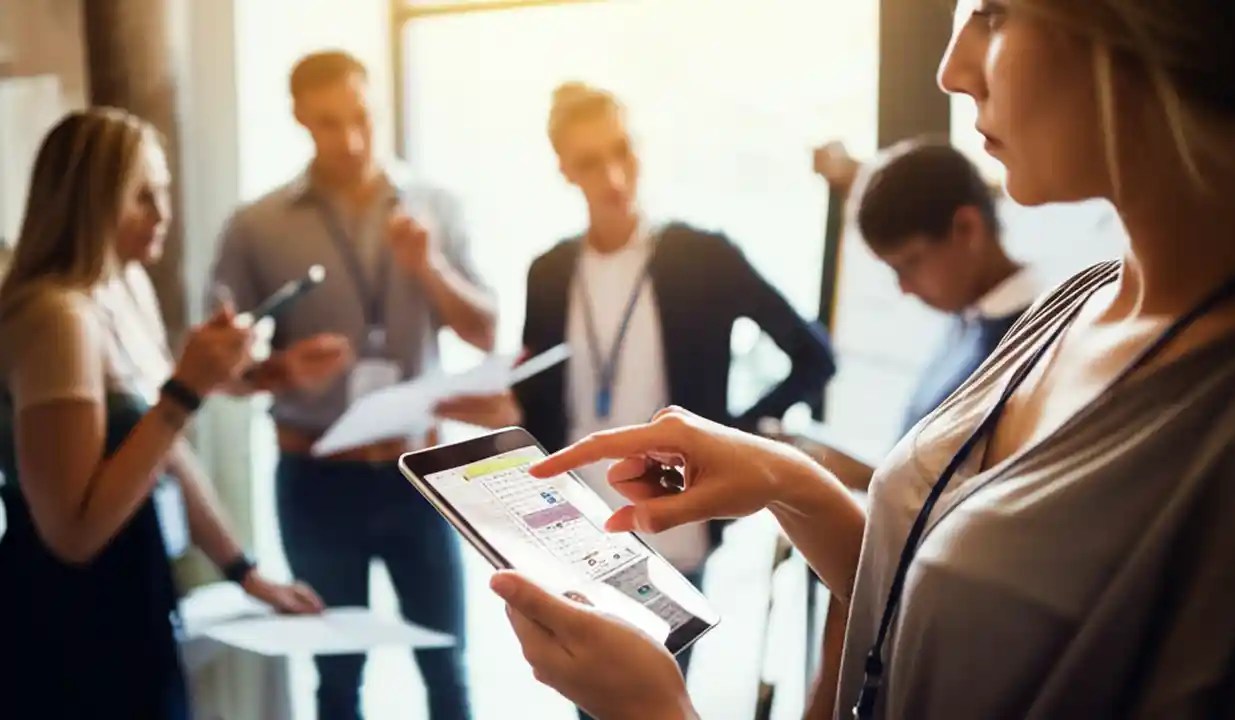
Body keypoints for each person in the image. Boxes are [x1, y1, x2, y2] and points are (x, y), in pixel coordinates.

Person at [484, 0, 1235, 718]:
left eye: (992, 12)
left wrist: (656, 713)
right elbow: (935, 605)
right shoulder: (1078, 300)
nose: (951, 68)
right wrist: (790, 483)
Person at [435, 81, 835, 682]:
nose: (614, 176)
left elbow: (813, 356)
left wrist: (733, 437)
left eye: (622, 151)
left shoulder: (701, 257)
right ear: (565, 170)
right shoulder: (550, 272)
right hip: (572, 527)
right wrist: (482, 408)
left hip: (670, 513)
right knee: (588, 697)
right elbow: (537, 404)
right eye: (590, 162)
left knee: (656, 696)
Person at [0, 109, 325, 719]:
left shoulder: (125, 287)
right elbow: (73, 536)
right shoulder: (57, 318)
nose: (164, 214)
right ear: (90, 201)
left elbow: (162, 452)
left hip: (135, 590)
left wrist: (244, 571)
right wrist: (186, 390)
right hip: (66, 617)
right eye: (142, 197)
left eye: (164, 191)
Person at [210, 50, 494, 720]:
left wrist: (429, 268)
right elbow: (217, 369)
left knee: (447, 670)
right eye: (329, 123)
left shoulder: (435, 206)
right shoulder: (256, 226)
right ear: (299, 119)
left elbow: (485, 330)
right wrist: (280, 370)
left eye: (361, 118)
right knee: (336, 680)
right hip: (316, 480)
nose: (352, 140)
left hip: (420, 476)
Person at [802, 137, 1041, 719]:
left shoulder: (1028, 346)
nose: (904, 288)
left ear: (967, 228)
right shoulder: (969, 323)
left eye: (909, 263)